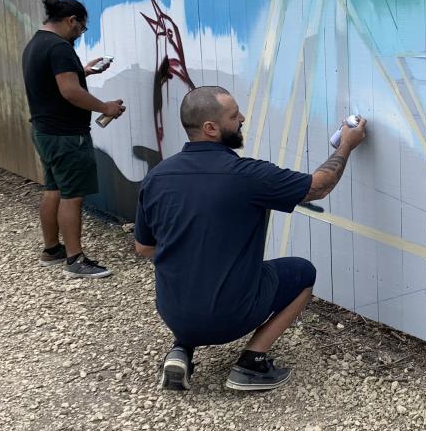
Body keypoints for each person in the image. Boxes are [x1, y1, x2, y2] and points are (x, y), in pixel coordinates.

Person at [133, 86, 366, 392]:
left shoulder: (157, 177)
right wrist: (346, 144)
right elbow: (318, 187)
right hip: (229, 316)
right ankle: (250, 365)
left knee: (196, 276)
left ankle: (182, 349)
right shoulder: (246, 176)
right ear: (211, 128)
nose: (242, 118)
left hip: (173, 312)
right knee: (302, 272)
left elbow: (144, 247)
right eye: (234, 116)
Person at [21, 0, 126, 278]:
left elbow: (54, 82)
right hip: (67, 136)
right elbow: (69, 91)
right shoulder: (60, 48)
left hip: (44, 131)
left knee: (53, 189)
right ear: (71, 21)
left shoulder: (37, 43)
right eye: (81, 28)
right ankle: (75, 259)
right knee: (72, 196)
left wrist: (83, 71)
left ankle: (51, 249)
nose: (80, 34)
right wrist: (105, 107)